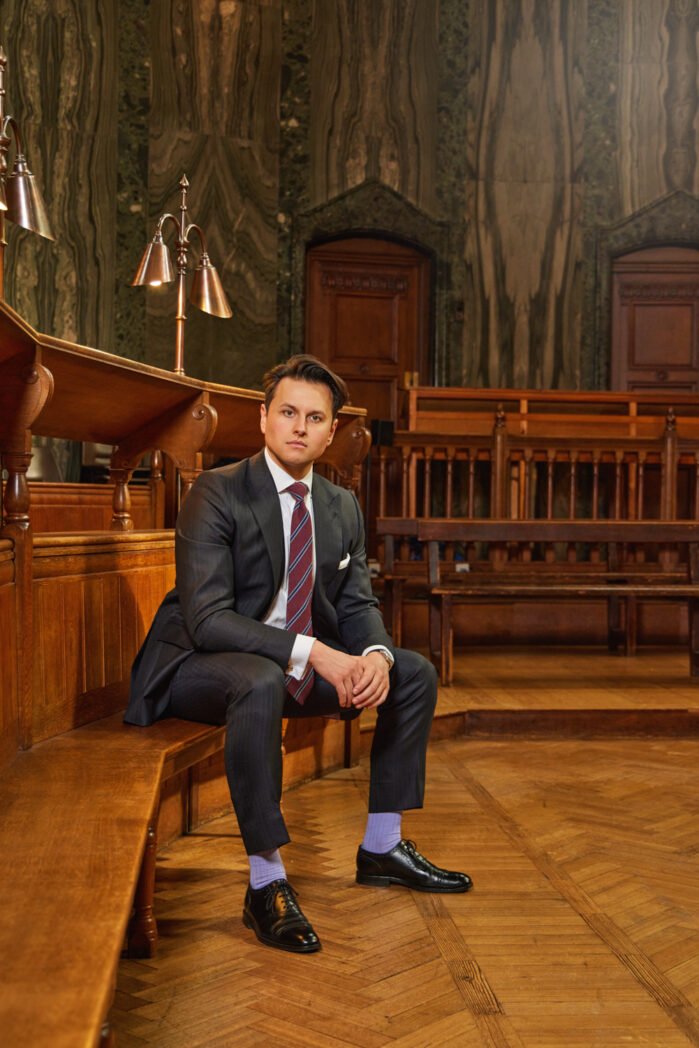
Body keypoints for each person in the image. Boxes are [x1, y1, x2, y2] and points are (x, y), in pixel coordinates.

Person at [125, 354, 472, 953]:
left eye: (314, 418)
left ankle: (383, 846)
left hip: (285, 669)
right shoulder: (217, 491)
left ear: (331, 431)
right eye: (288, 412)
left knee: (412, 672)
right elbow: (208, 620)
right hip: (197, 668)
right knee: (258, 679)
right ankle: (266, 884)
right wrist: (316, 653)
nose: (299, 427)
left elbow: (359, 604)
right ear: (263, 419)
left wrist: (376, 657)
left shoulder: (339, 506)